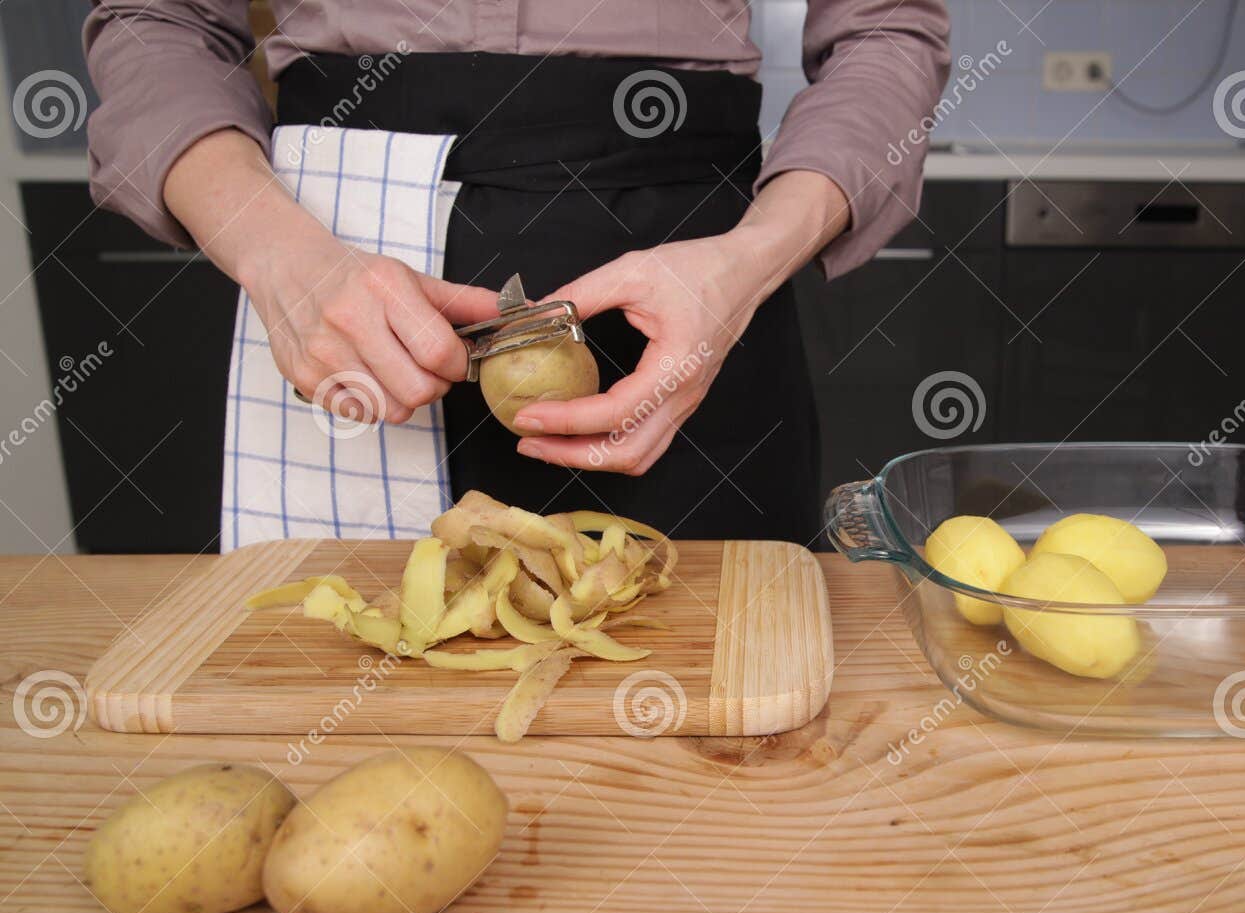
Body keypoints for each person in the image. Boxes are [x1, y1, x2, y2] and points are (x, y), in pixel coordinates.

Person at [82, 2, 951, 545]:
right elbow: (156, 20)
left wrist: (752, 258)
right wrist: (274, 252)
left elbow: (885, 30)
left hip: (688, 268)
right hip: (338, 265)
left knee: (715, 705)